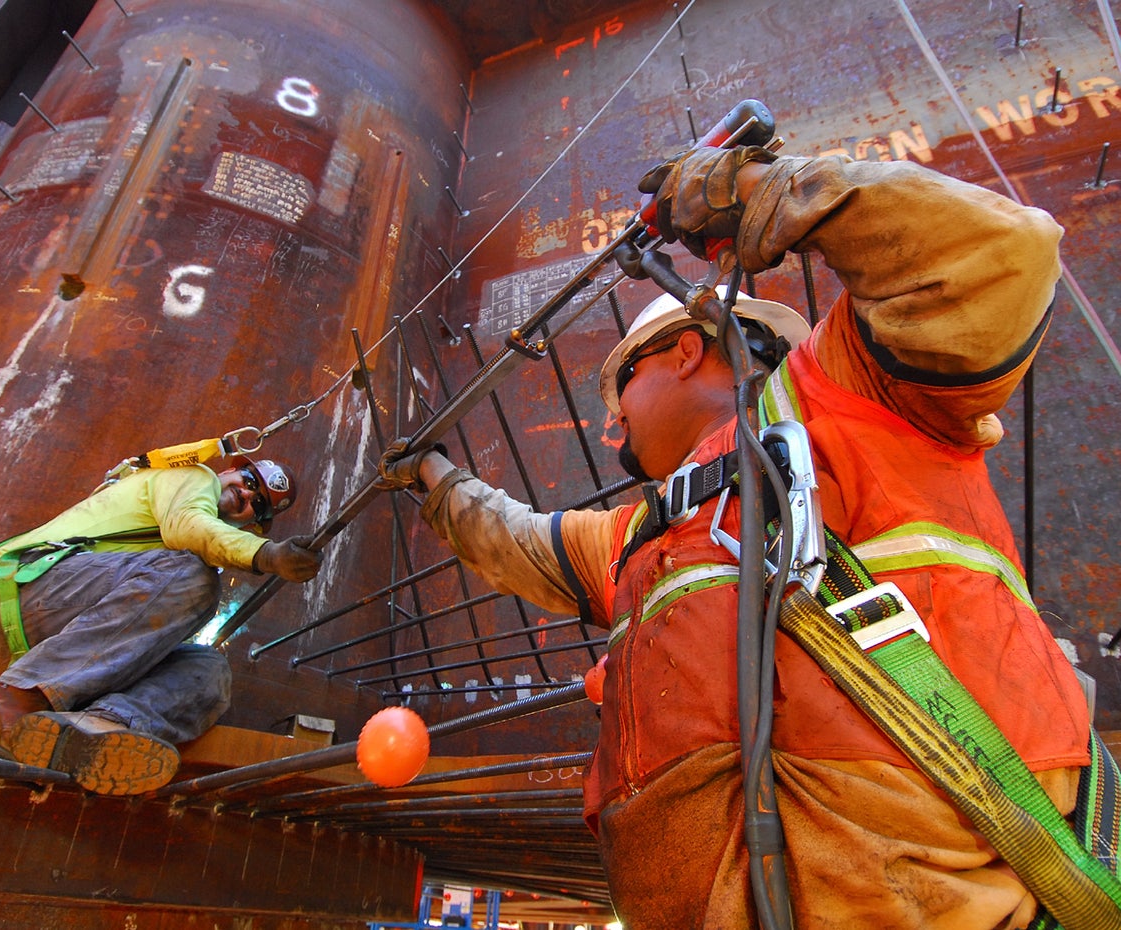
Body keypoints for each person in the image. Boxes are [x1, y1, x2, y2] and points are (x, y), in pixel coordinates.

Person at [379, 146, 1092, 928]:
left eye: (621, 390)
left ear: (685, 351)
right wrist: (435, 481)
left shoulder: (859, 392)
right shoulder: (645, 534)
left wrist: (766, 191)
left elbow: (1000, 256)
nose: (612, 423)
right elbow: (514, 539)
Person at [0, 453, 322, 796]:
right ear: (227, 469)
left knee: (208, 671)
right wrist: (266, 555)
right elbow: (189, 526)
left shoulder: (187, 552)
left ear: (252, 523)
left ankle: (93, 728)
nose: (246, 494)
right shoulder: (192, 478)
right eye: (249, 480)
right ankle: (3, 709)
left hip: (42, 651)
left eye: (257, 505)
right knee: (193, 575)